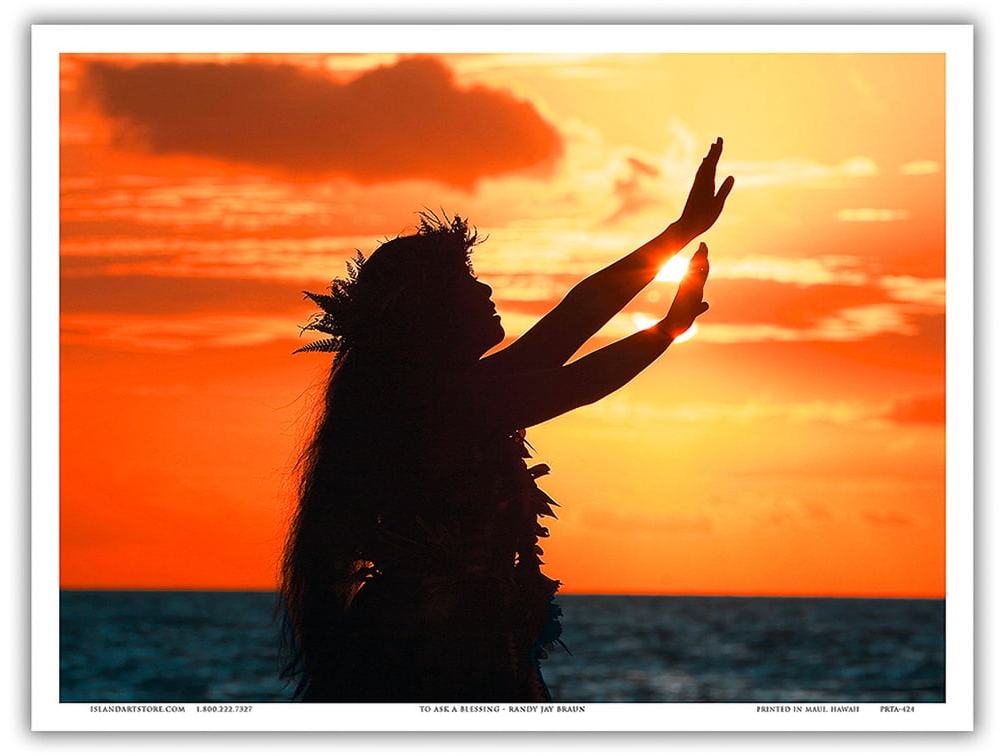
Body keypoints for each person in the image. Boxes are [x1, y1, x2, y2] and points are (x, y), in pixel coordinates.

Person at [280, 138, 734, 702]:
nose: (487, 287)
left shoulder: (444, 395)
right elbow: (580, 379)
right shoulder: (446, 405)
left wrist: (680, 233)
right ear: (433, 316)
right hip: (436, 652)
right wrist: (666, 328)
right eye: (466, 281)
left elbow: (573, 319)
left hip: (440, 639)